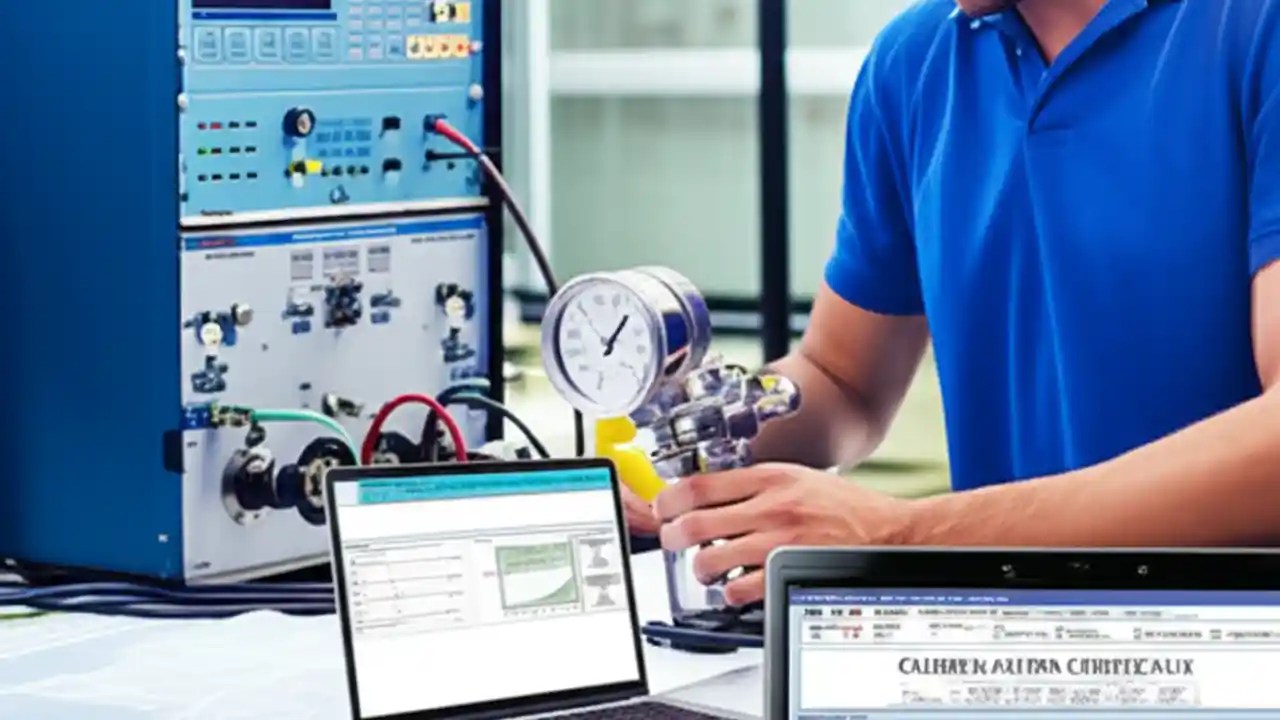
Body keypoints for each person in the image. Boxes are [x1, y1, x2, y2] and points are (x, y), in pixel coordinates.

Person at [623, 0, 1280, 606]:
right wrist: (681, 443)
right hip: (998, 638)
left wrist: (907, 534)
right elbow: (841, 382)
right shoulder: (913, 61)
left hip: (1232, 644)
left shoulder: (1253, 27)